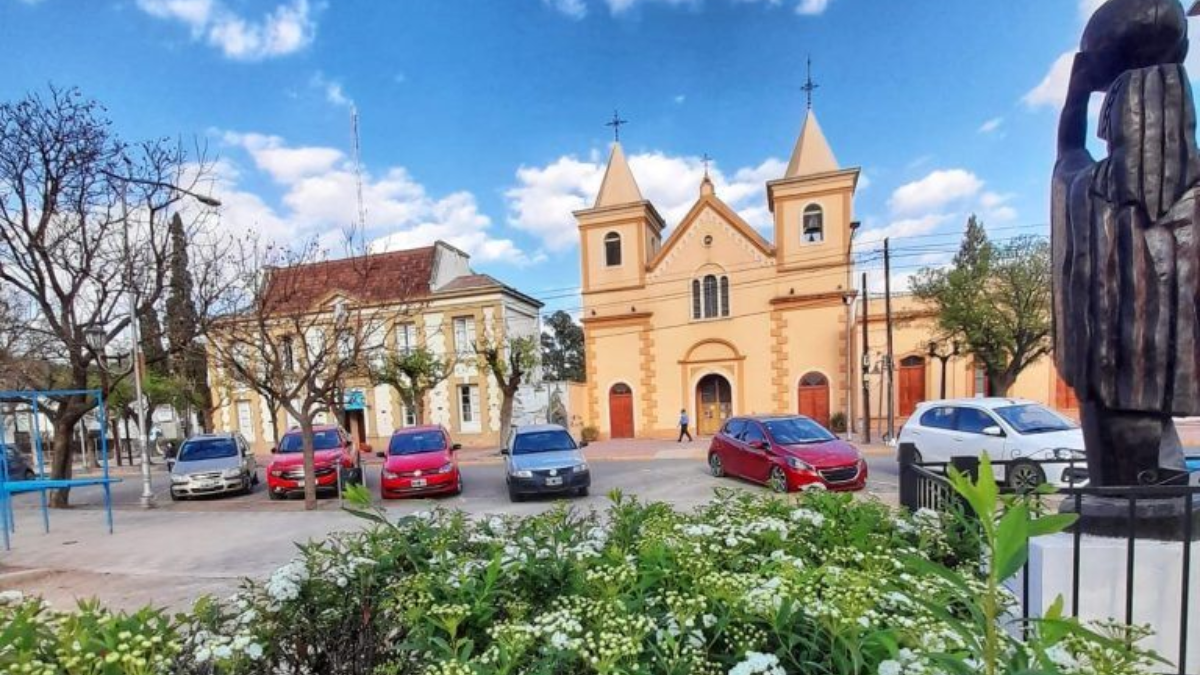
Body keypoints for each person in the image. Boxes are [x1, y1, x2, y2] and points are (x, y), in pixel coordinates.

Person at [1052, 0, 1195, 486]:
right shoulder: (1191, 193)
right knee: (1149, 469)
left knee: (1122, 480)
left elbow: (1068, 151)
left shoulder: (1090, 189)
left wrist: (1076, 91)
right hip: (1156, 383)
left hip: (1112, 380)